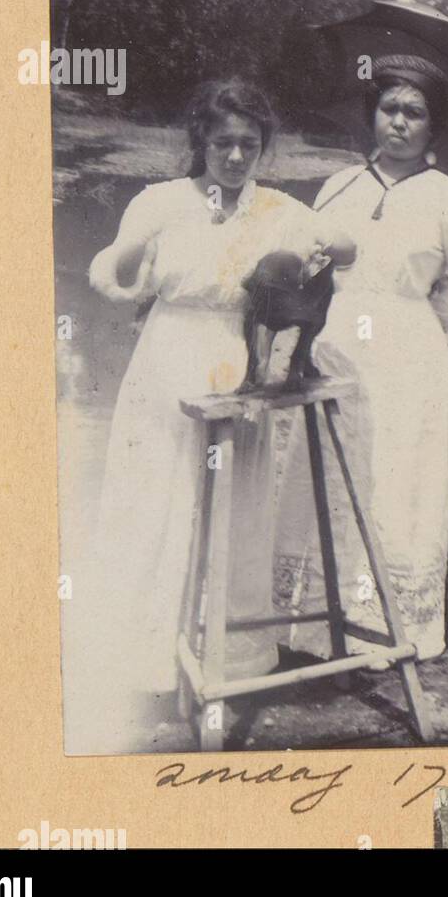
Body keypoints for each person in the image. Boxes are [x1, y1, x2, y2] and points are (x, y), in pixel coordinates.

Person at [79, 78, 355, 747]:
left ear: (264, 147)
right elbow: (108, 279)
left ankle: (220, 662)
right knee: (155, 500)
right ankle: (143, 665)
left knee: (227, 507)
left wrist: (329, 252)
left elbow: (342, 247)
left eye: (248, 144)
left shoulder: (278, 210)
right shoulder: (160, 201)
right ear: (200, 140)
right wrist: (128, 250)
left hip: (236, 364)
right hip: (167, 357)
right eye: (222, 142)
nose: (234, 157)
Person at [274, 54, 448, 666]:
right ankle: (316, 625)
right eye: (389, 108)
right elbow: (308, 268)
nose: (398, 122)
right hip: (340, 350)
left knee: (397, 481)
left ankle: (386, 625)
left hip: (409, 359)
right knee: (329, 474)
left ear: (434, 126)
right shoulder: (340, 186)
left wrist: (421, 320)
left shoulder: (447, 197)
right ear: (371, 113)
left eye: (415, 113)